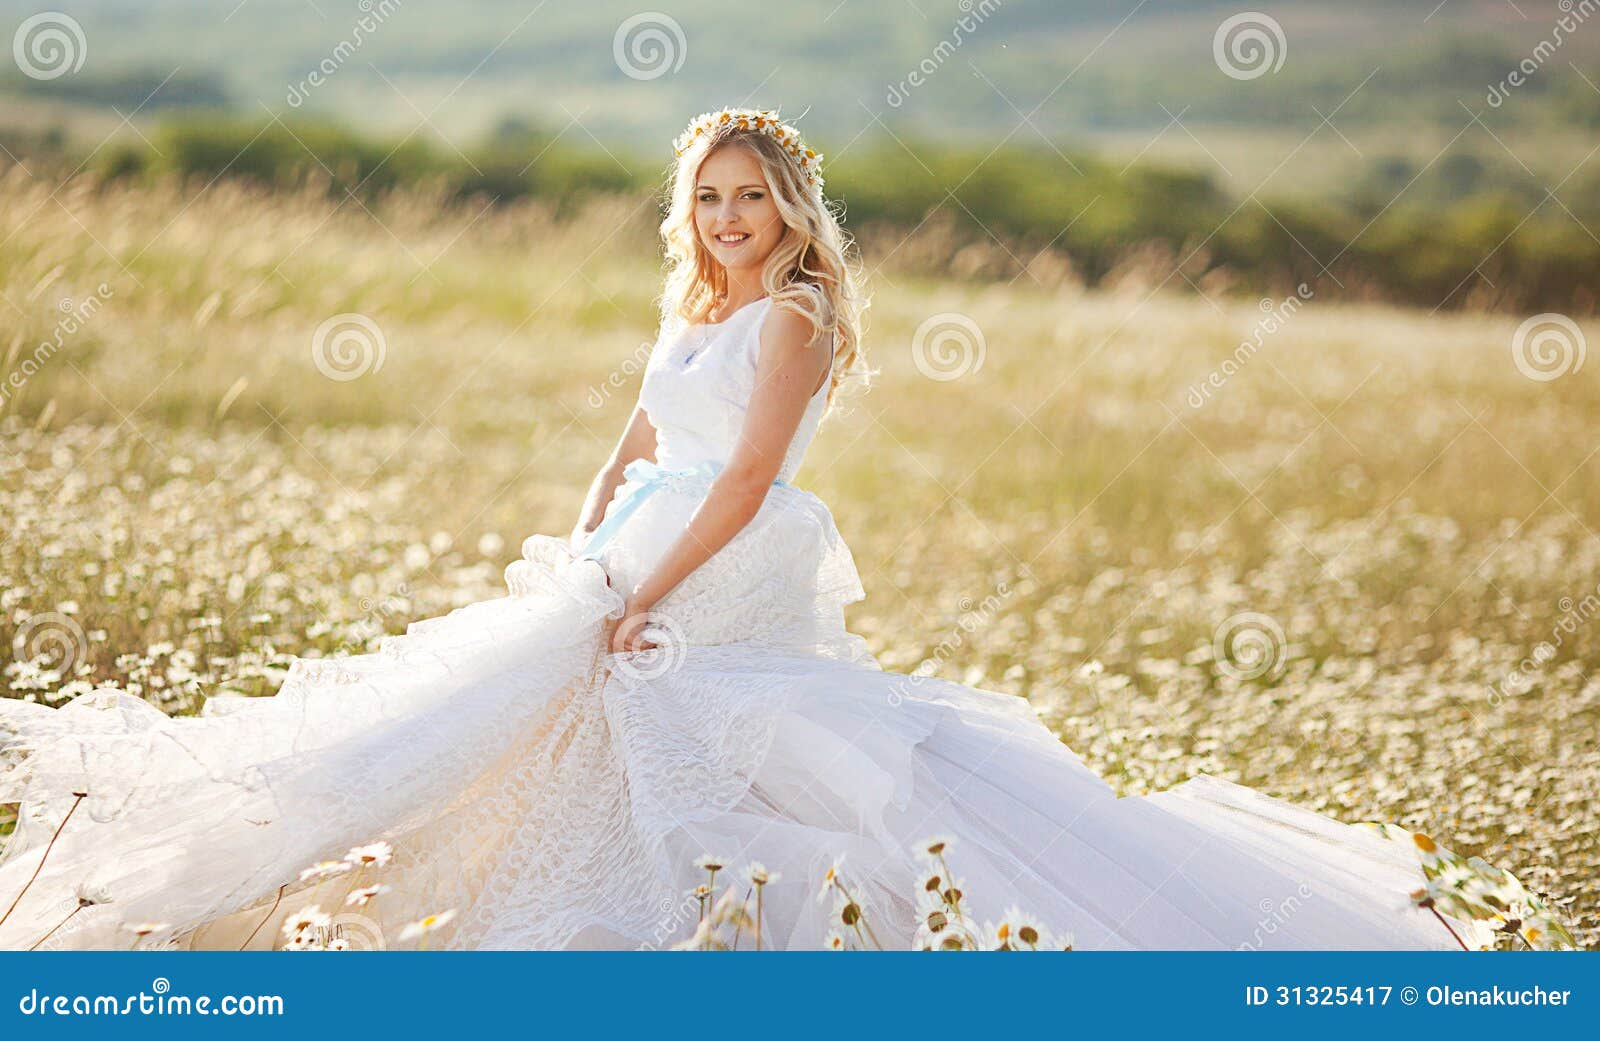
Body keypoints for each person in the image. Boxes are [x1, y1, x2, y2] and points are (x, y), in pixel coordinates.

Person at [0, 108, 1467, 951]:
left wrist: (649, 591)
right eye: (707, 200)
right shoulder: (697, 305)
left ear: (790, 208)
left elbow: (747, 479)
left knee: (699, 738)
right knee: (497, 714)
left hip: (715, 554)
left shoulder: (795, 319)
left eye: (750, 198)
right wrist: (584, 548)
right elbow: (636, 437)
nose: (728, 219)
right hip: (636, 541)